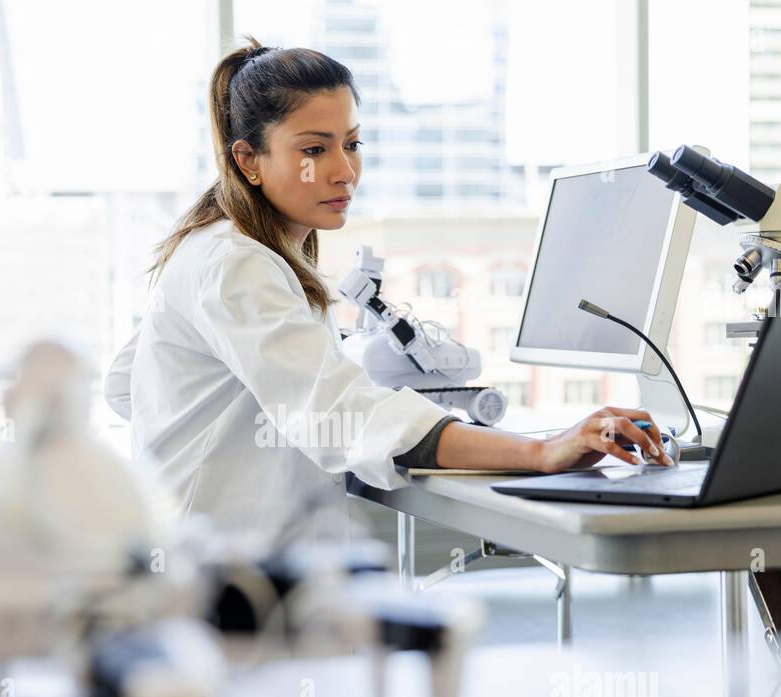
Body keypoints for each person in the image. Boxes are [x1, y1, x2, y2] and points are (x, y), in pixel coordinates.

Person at [105, 37, 671, 544]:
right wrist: (540, 451)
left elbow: (126, 387)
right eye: (313, 150)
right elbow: (340, 415)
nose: (344, 171)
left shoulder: (222, 245)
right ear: (248, 160)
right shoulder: (236, 264)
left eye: (352, 144)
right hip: (219, 576)